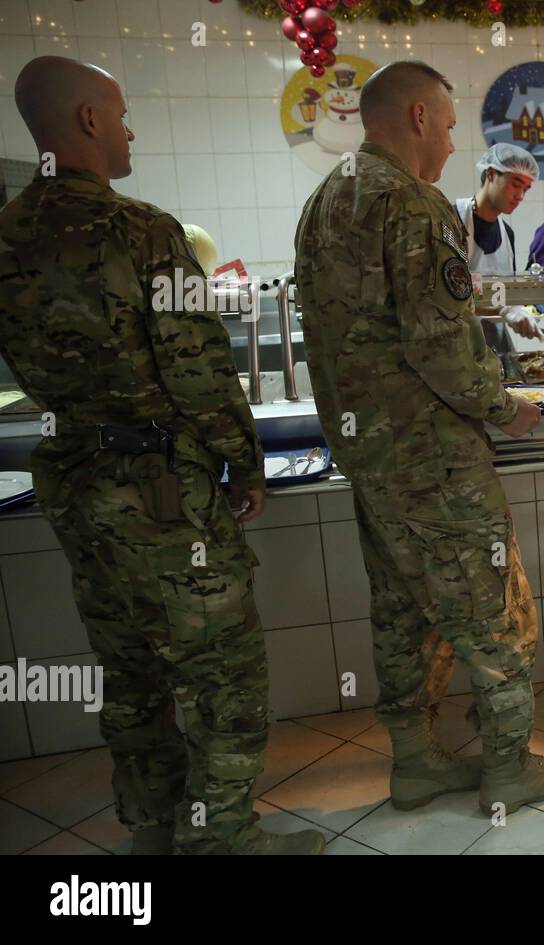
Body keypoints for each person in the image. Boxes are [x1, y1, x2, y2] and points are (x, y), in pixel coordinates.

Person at [0, 57, 323, 855]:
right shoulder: (138, 231)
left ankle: (152, 833)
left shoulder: (6, 234)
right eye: (121, 112)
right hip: (162, 493)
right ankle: (225, 841)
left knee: (131, 676)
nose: (130, 127)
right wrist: (242, 465)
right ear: (86, 122)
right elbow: (198, 366)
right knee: (223, 678)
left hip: (75, 479)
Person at [293, 60, 544, 817]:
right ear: (419, 116)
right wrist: (504, 406)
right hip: (432, 455)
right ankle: (509, 764)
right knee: (496, 610)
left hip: (372, 455)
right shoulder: (415, 205)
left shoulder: (326, 199)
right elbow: (438, 344)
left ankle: (416, 763)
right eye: (453, 125)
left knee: (405, 612)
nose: (455, 143)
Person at [455, 143, 544, 340]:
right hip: (456, 343)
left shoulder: (507, 234)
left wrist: (518, 311)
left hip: (495, 343)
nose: (520, 196)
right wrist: (504, 311)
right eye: (515, 183)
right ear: (491, 174)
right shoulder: (452, 219)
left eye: (526, 189)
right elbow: (444, 293)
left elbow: (506, 294)